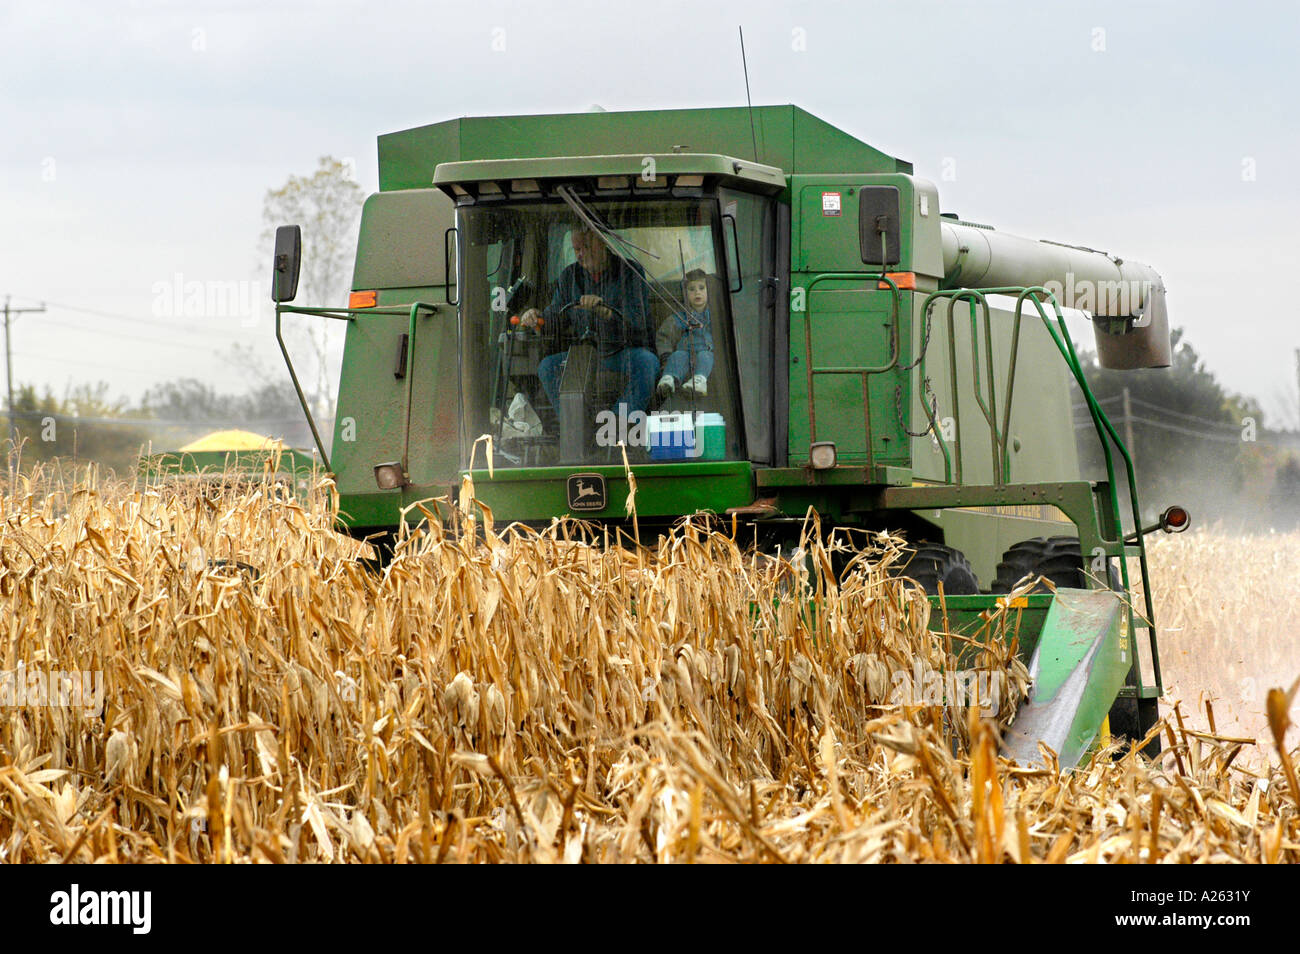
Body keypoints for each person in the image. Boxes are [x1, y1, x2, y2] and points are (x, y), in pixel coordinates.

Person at [520, 228, 658, 417]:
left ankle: (617, 425)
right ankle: (576, 426)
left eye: (586, 247)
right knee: (547, 367)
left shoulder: (630, 272)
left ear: (603, 243)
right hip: (584, 355)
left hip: (622, 352)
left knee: (648, 362)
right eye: (576, 249)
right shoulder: (570, 276)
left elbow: (638, 322)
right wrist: (536, 319)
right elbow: (554, 318)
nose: (581, 254)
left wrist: (606, 313)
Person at [655, 269, 714, 399]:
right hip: (686, 351)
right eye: (691, 289)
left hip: (707, 351)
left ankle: (698, 380)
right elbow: (664, 336)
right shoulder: (681, 317)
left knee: (705, 356)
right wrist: (665, 356)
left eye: (701, 288)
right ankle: (668, 379)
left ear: (709, 290)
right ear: (685, 293)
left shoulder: (715, 314)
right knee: (677, 356)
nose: (697, 292)